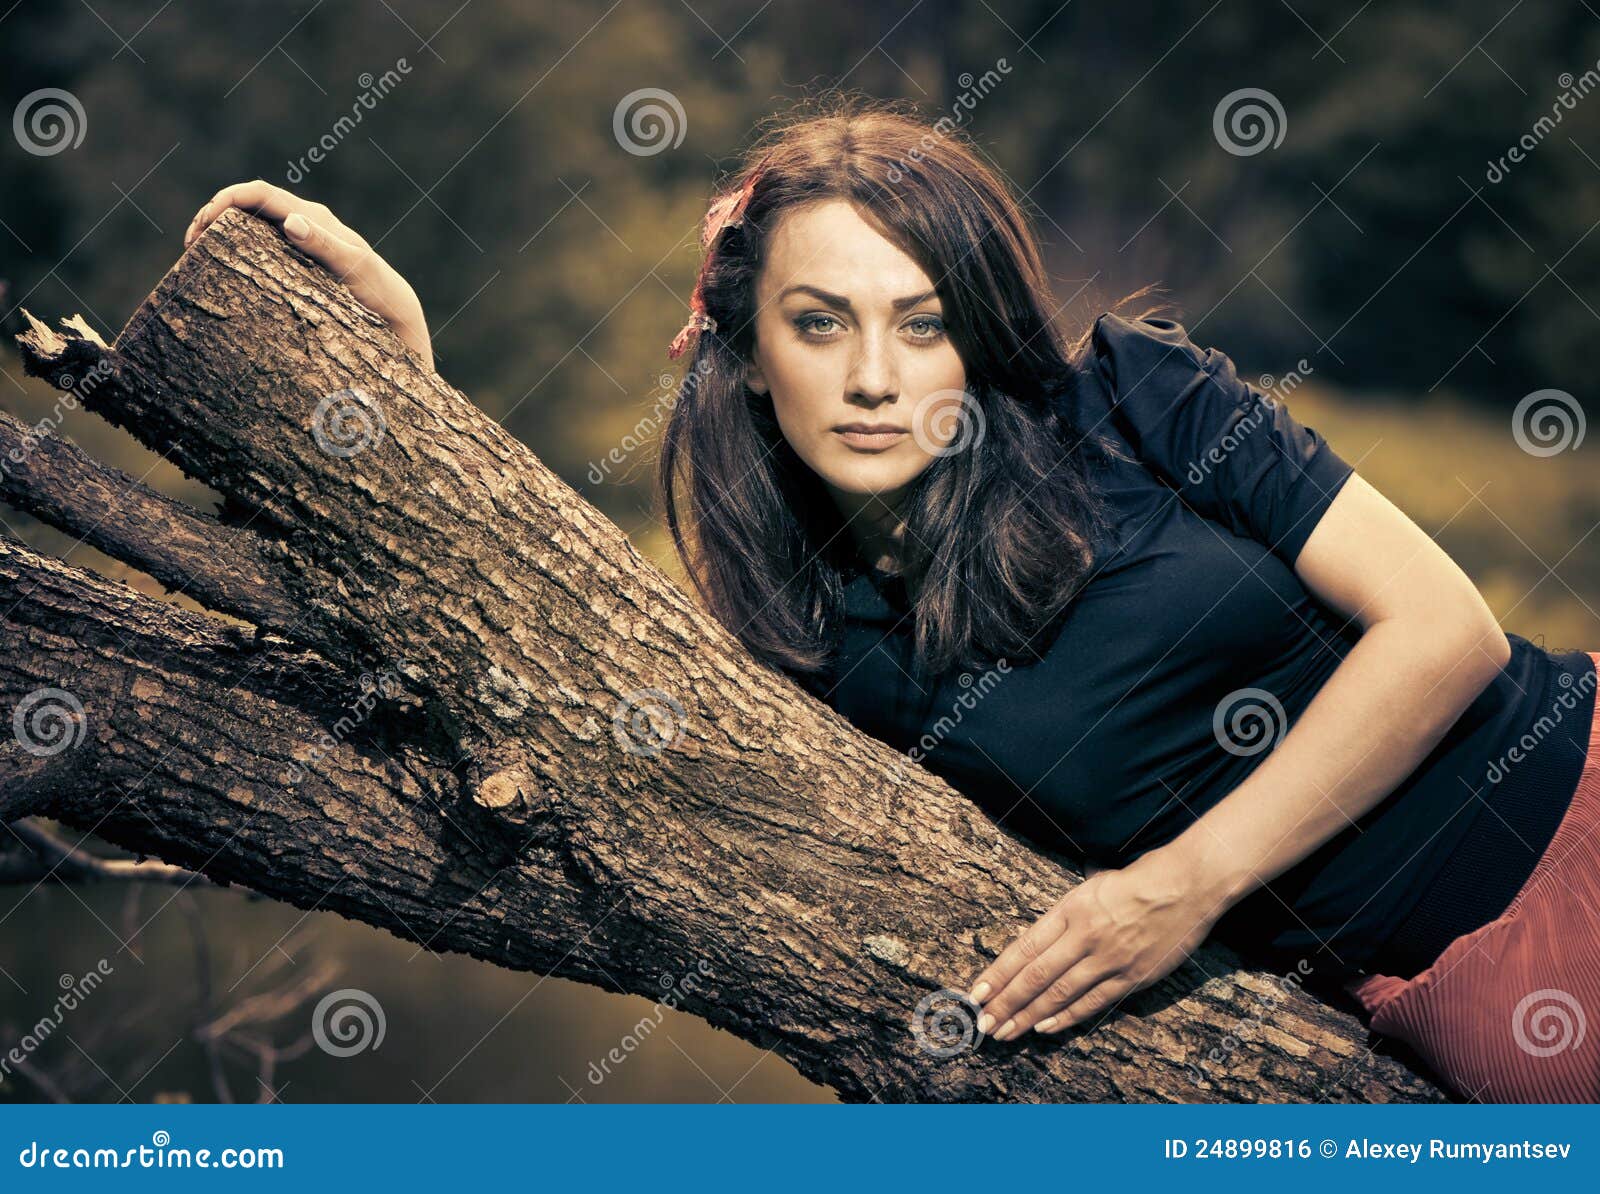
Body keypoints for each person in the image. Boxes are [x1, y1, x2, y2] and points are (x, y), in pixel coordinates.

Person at [184, 100, 1600, 1103]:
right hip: (1459, 1010)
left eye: (920, 322)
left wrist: (1182, 888)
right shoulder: (816, 652)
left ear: (975, 336)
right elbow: (544, 638)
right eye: (821, 322)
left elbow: (1446, 632)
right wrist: (407, 392)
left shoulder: (1138, 399)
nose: (873, 376)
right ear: (745, 352)